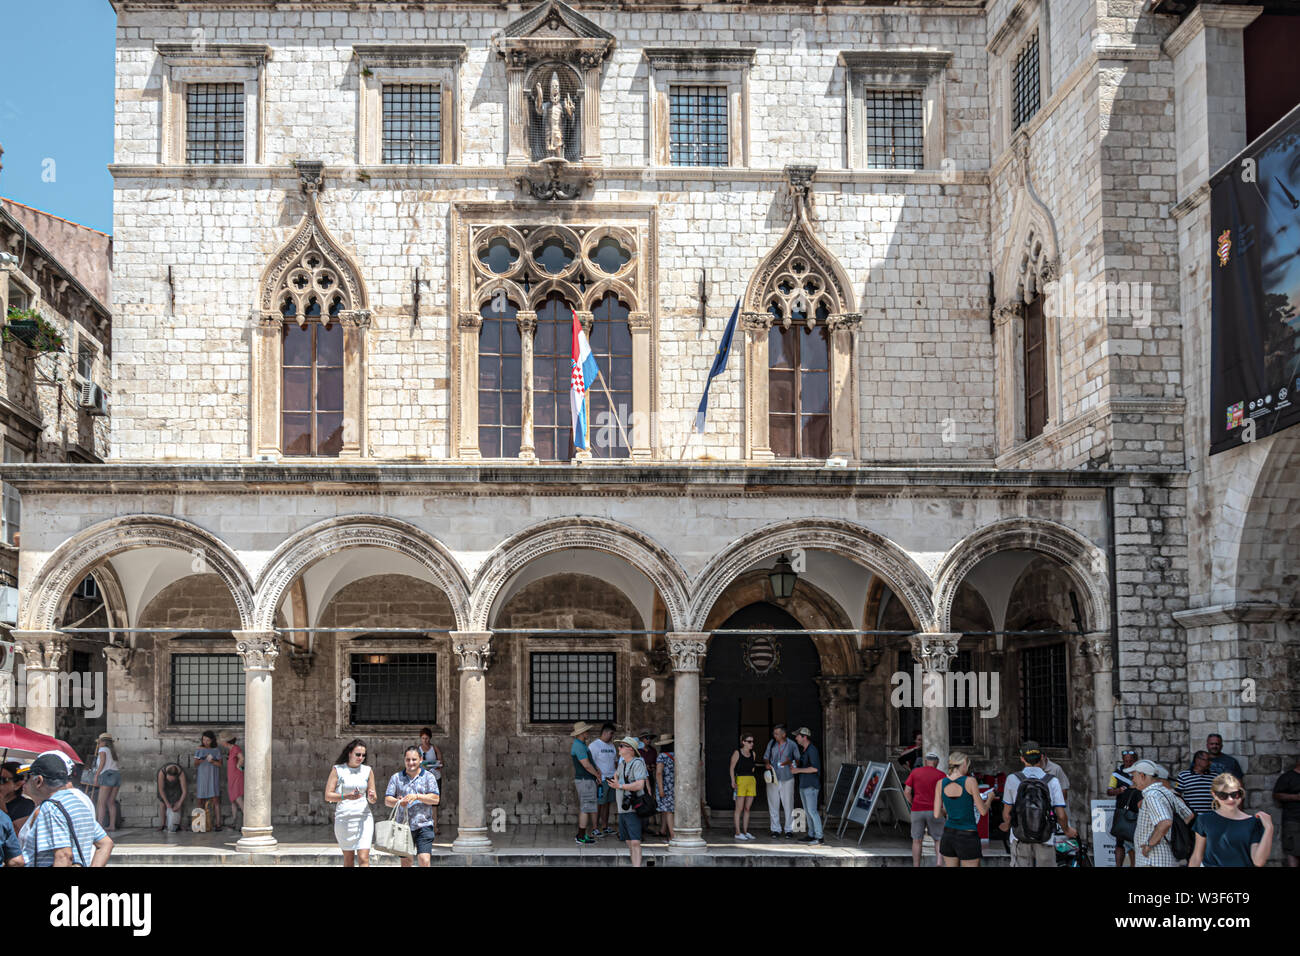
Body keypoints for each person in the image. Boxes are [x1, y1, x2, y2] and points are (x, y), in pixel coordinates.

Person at [17, 754, 113, 867]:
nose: (24, 783)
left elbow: (64, 856)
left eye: (27, 778)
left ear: (38, 781)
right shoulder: (78, 803)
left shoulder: (50, 808)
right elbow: (106, 843)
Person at [1001, 740, 1075, 866]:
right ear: (1041, 757)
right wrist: (1067, 830)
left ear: (1022, 759)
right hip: (1045, 837)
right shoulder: (1052, 781)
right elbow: (1061, 814)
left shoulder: (1012, 779)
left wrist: (1007, 824)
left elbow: (1007, 812)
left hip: (1020, 837)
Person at [1188, 773, 1272, 867]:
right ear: (1214, 795)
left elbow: (1258, 862)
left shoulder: (1252, 823)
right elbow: (1197, 856)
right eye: (1223, 795)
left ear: (1240, 793)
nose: (1230, 799)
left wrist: (1269, 828)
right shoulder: (1204, 820)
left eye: (1234, 794)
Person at [1131, 759, 1194, 868]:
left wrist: (1149, 845)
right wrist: (1173, 834)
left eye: (1133, 776)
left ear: (1142, 776)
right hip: (1166, 856)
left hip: (1153, 859)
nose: (1132, 780)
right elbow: (1188, 815)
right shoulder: (1166, 792)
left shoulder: (1151, 796)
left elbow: (1165, 822)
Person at [385, 746, 440, 867]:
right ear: (404, 760)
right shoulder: (396, 778)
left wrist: (418, 796)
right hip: (403, 827)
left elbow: (436, 799)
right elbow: (387, 800)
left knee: (424, 860)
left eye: (414, 759)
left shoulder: (429, 777)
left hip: (424, 825)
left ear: (420, 759)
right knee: (406, 862)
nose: (411, 763)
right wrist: (398, 802)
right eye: (408, 760)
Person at [326, 738, 376, 867]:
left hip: (364, 818)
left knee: (364, 858)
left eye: (363, 755)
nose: (361, 758)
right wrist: (346, 796)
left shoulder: (367, 770)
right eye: (358, 754)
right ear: (349, 753)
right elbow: (328, 795)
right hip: (344, 819)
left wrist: (371, 797)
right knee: (348, 860)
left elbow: (373, 797)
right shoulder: (338, 770)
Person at [935, 751, 989, 867]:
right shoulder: (970, 781)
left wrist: (950, 809)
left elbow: (936, 814)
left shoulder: (941, 783)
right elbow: (983, 811)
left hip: (948, 835)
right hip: (967, 836)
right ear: (964, 764)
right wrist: (989, 799)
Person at [608, 735, 648, 866]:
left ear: (630, 749)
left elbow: (640, 785)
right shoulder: (622, 764)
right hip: (623, 808)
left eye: (621, 746)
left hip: (634, 807)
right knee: (629, 841)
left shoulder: (637, 763)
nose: (618, 748)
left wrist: (619, 786)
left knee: (635, 841)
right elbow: (617, 775)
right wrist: (615, 780)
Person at [904, 751, 947, 866]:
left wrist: (913, 803)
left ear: (925, 761)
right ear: (937, 762)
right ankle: (939, 863)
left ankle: (916, 865)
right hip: (935, 811)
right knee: (938, 839)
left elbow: (907, 792)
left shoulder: (915, 772)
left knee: (917, 840)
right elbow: (946, 794)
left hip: (917, 810)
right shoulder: (941, 775)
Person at [763, 724, 799, 838]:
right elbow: (765, 757)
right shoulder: (771, 743)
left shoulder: (792, 745)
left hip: (787, 777)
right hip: (773, 778)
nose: (775, 736)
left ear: (784, 734)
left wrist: (789, 763)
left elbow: (798, 760)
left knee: (788, 804)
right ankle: (775, 830)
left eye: (777, 734)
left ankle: (789, 830)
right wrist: (767, 763)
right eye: (774, 733)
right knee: (773, 804)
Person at [1108, 748, 1142, 867]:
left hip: (1136, 812)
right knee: (1119, 843)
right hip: (1121, 811)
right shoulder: (1116, 774)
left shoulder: (1140, 773)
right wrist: (1118, 790)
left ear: (1135, 761)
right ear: (1122, 760)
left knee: (1132, 842)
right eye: (1126, 761)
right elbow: (1109, 791)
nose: (1128, 763)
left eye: (1131, 761)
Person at [569, 721, 602, 845]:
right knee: (585, 808)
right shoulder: (578, 746)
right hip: (585, 780)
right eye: (587, 731)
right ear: (582, 733)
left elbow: (590, 762)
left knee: (586, 808)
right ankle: (581, 836)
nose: (588, 733)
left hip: (587, 780)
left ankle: (582, 834)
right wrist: (596, 774)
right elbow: (586, 764)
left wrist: (596, 771)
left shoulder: (582, 745)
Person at [792, 727, 823, 845]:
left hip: (811, 785)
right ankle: (811, 834)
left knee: (812, 811)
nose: (796, 738)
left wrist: (798, 770)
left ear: (804, 737)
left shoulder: (812, 750)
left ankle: (819, 837)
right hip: (804, 785)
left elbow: (815, 768)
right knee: (808, 811)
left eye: (797, 736)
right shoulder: (805, 750)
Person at [589, 723, 619, 836]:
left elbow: (615, 761)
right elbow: (590, 762)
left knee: (607, 803)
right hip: (601, 780)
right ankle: (595, 828)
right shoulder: (594, 746)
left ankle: (605, 826)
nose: (612, 736)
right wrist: (596, 776)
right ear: (605, 733)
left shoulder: (611, 746)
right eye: (611, 733)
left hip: (612, 779)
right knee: (599, 803)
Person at [729, 733, 759, 840]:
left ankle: (745, 831)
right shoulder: (737, 753)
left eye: (752, 741)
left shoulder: (753, 754)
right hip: (741, 779)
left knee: (747, 808)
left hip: (751, 780)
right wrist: (733, 780)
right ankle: (737, 832)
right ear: (743, 742)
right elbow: (732, 767)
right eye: (749, 741)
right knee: (739, 808)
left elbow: (752, 768)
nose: (752, 744)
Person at [1271, 757, 1300, 867]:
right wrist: (1296, 797)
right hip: (1293, 820)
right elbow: (1277, 795)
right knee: (1293, 852)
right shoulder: (1287, 777)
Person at [193, 730, 223, 831]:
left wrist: (212, 761)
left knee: (215, 800)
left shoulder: (216, 750)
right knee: (200, 800)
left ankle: (218, 824)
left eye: (208, 740)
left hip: (213, 777)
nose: (205, 742)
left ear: (212, 740)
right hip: (202, 777)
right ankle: (200, 825)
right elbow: (195, 764)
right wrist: (203, 759)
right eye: (204, 739)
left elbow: (220, 764)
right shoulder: (199, 749)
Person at [91, 733, 121, 832]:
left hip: (107, 775)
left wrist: (96, 775)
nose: (98, 744)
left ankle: (99, 825)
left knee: (101, 802)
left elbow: (102, 763)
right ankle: (112, 825)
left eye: (99, 742)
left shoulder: (102, 750)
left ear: (103, 742)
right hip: (116, 775)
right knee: (111, 802)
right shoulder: (112, 751)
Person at [417, 727, 442, 834]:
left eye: (427, 738)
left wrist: (434, 765)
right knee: (423, 801)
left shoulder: (434, 748)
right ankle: (423, 826)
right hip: (423, 778)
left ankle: (435, 826)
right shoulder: (418, 749)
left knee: (434, 802)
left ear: (430, 738)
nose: (425, 741)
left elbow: (441, 763)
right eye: (423, 738)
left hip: (435, 777)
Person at [1175, 750, 1215, 814]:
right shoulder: (1183, 776)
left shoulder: (1215, 776)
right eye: (1208, 760)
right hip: (1192, 817)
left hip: (1210, 816)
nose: (1210, 763)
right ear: (1198, 760)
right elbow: (1177, 795)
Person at [638, 731, 661, 834]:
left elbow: (656, 764)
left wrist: (651, 766)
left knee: (648, 800)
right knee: (639, 800)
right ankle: (638, 825)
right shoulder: (638, 751)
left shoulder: (653, 750)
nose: (649, 740)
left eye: (650, 738)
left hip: (649, 777)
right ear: (642, 739)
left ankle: (645, 825)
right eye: (647, 738)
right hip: (639, 778)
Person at [1, 761, 34, 832]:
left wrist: (3, 810)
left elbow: (14, 834)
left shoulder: (26, 806)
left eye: (2, 780)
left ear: (18, 785)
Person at [654, 734, 675, 841]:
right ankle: (664, 830)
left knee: (668, 811)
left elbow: (658, 773)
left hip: (666, 787)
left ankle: (672, 836)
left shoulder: (662, 756)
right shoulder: (677, 755)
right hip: (676, 786)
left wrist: (661, 789)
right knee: (671, 810)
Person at [156, 762, 187, 831]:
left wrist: (179, 803)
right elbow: (161, 790)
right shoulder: (161, 772)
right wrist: (167, 803)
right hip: (165, 787)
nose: (170, 780)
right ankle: (163, 824)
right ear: (166, 774)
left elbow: (184, 791)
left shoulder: (181, 773)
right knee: (162, 803)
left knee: (178, 802)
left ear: (176, 777)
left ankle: (178, 824)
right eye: (169, 778)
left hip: (176, 787)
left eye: (172, 779)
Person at [221, 733, 244, 828]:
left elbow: (242, 758)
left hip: (236, 777)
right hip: (232, 777)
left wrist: (238, 766)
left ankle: (248, 821)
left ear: (226, 741)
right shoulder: (231, 750)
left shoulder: (235, 748)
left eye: (222, 739)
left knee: (238, 799)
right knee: (233, 800)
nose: (221, 742)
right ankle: (235, 822)